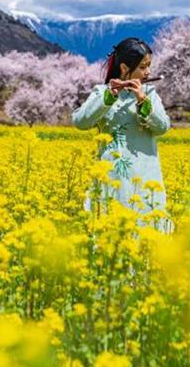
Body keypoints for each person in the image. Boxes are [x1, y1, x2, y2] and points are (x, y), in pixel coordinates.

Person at [71, 37, 174, 233]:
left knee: (146, 232)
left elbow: (162, 127)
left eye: (149, 66)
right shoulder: (102, 92)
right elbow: (80, 121)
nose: (148, 72)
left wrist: (143, 102)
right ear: (125, 67)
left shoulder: (149, 94)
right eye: (143, 67)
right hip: (111, 176)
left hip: (145, 177)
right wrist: (108, 97)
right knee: (109, 233)